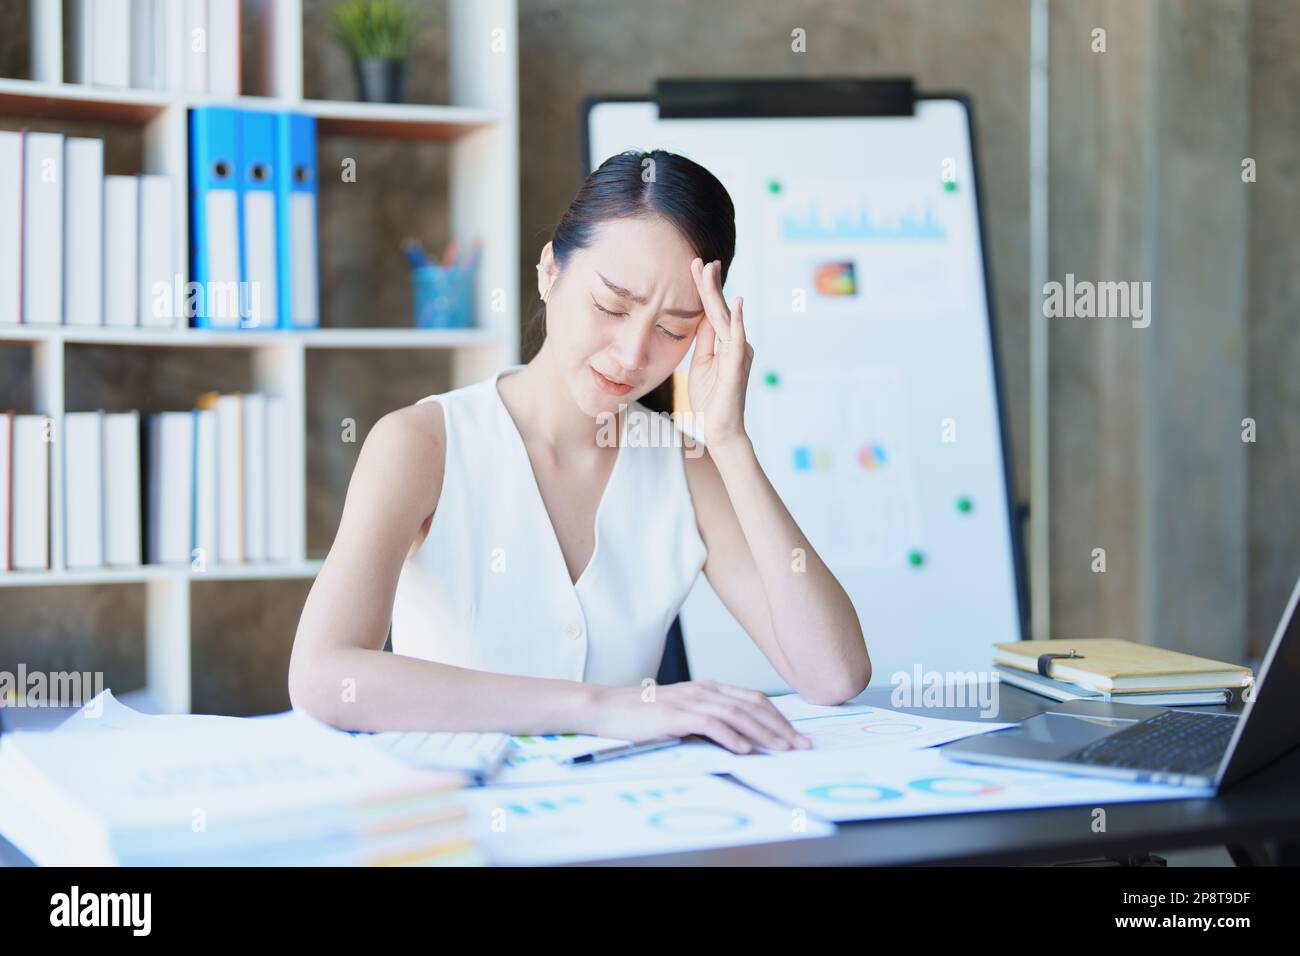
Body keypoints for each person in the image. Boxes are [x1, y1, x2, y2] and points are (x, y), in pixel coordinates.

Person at [288, 149, 871, 753]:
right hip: (459, 823)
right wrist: (600, 708)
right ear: (550, 272)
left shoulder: (688, 466)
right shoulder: (423, 443)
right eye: (611, 306)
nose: (630, 354)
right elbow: (324, 675)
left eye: (674, 329)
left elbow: (833, 674)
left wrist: (729, 438)